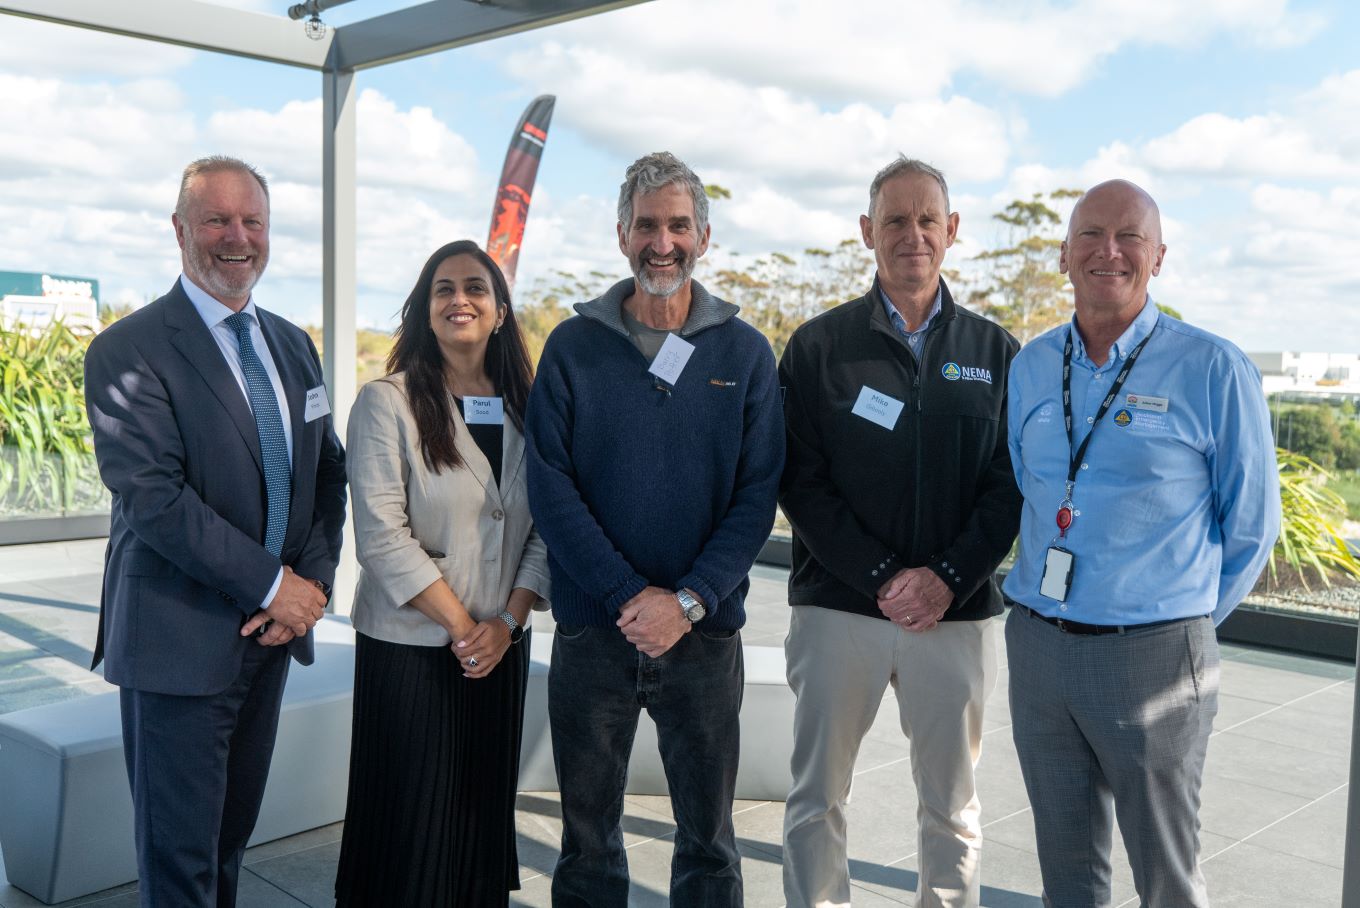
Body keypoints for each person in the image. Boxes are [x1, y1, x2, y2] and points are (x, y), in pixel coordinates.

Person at [1004, 179, 1281, 907]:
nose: (1110, 251)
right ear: (1065, 255)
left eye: (1130, 237)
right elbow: (1028, 489)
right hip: (1038, 648)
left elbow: (1252, 526)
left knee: (1166, 878)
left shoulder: (1213, 368)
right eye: (1091, 235)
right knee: (1067, 874)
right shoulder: (1031, 365)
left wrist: (1178, 623)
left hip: (1154, 654)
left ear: (1159, 257)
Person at [84, 155, 347, 907]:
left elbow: (327, 476)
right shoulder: (126, 350)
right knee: (180, 866)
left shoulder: (294, 346)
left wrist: (313, 586)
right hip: (179, 644)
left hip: (269, 642)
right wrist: (275, 584)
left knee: (229, 847)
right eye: (217, 220)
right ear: (180, 231)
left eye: (252, 220)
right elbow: (154, 500)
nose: (238, 237)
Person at [524, 151, 784, 907]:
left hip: (702, 639)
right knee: (587, 843)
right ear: (620, 234)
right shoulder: (572, 350)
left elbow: (756, 495)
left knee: (709, 844)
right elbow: (551, 485)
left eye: (677, 225)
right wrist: (627, 595)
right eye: (646, 225)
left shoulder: (746, 353)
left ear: (704, 234)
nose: (661, 242)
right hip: (592, 637)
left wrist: (690, 600)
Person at [778, 155, 1022, 908]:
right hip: (838, 610)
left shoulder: (996, 353)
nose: (911, 234)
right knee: (816, 798)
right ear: (866, 232)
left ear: (951, 231)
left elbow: (1011, 486)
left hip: (956, 617)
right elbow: (801, 483)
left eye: (926, 220)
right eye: (894, 220)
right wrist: (883, 574)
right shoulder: (819, 348)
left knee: (952, 808)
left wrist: (946, 578)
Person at [333, 240, 550, 906]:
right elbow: (381, 538)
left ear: (501, 309)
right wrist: (466, 629)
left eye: (476, 288)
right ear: (425, 312)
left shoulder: (529, 408)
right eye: (444, 289)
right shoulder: (385, 403)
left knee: (479, 815)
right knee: (411, 821)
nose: (461, 300)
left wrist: (507, 623)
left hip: (502, 645)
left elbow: (545, 528)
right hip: (416, 649)